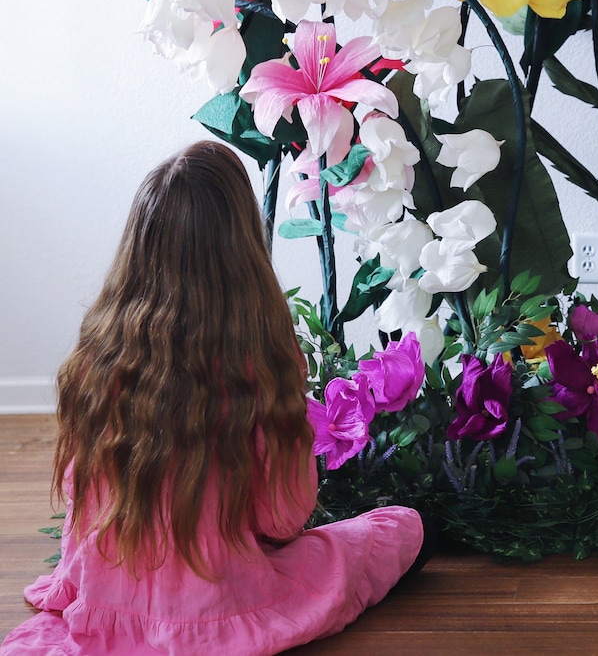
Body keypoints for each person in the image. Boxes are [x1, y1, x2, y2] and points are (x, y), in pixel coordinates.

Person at [2, 141, 427, 656]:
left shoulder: (99, 351)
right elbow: (282, 517)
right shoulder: (262, 357)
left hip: (106, 598)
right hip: (224, 603)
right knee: (399, 528)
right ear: (241, 241)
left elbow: (80, 498)